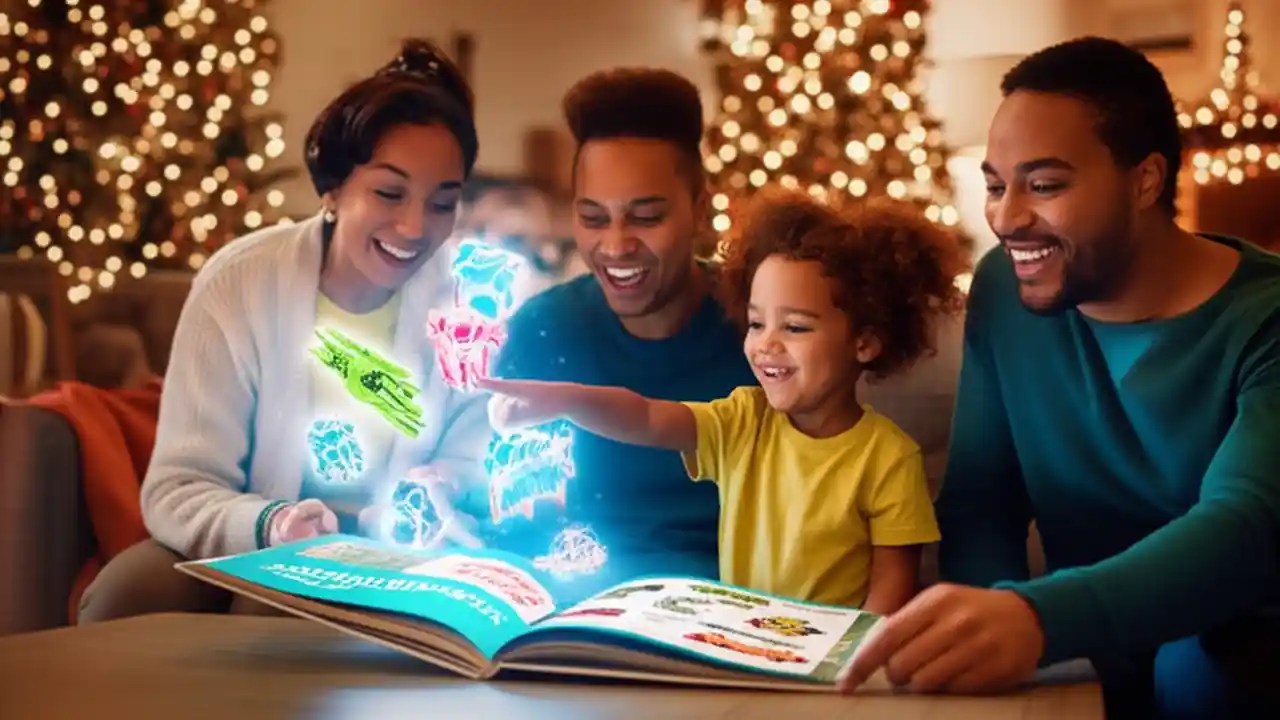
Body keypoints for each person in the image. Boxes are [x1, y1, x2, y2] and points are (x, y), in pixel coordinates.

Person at [837, 37, 1280, 717]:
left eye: (1044, 185)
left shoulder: (1265, 320)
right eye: (995, 185)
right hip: (1080, 660)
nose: (1006, 217)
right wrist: (984, 638)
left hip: (1239, 660)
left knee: (1192, 666)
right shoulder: (1004, 289)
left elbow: (1246, 527)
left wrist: (1037, 619)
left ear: (1145, 181)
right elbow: (982, 505)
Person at [77, 39, 492, 622]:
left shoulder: (469, 305)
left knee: (269, 613)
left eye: (443, 203)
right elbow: (180, 488)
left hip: (404, 558)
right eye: (389, 193)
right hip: (252, 538)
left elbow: (476, 463)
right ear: (333, 189)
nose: (415, 226)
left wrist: (442, 484)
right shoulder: (240, 282)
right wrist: (274, 524)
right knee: (126, 597)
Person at [484, 190, 967, 612]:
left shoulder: (889, 459)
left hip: (830, 666)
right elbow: (645, 416)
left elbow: (890, 595)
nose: (766, 344)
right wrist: (564, 401)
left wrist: (847, 666)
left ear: (864, 342)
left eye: (795, 327)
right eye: (756, 323)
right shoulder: (743, 419)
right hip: (737, 653)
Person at [473, 68, 757, 591]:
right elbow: (506, 511)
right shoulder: (540, 330)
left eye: (645, 218)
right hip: (567, 610)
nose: (616, 246)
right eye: (593, 218)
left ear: (699, 211)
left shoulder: (760, 332)